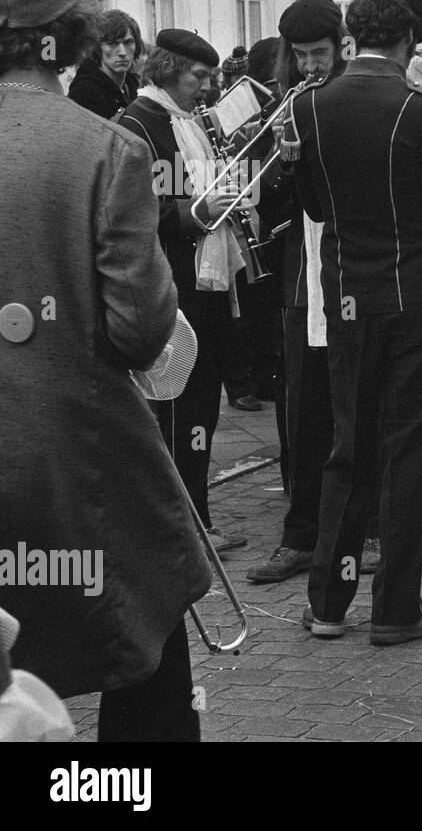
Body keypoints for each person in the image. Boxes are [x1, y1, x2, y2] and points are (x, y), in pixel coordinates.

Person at [0, 0, 211, 740]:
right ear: (75, 37)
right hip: (79, 453)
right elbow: (138, 329)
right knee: (147, 629)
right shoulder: (107, 148)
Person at [288, 0, 422, 644]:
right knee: (410, 451)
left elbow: (312, 206)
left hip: (345, 295)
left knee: (349, 444)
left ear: (353, 35)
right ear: (409, 40)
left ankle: (329, 603)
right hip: (418, 297)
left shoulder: (306, 107)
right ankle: (396, 607)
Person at [246, 0, 376, 585]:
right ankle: (299, 535)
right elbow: (271, 197)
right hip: (301, 282)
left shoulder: (353, 104)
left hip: (350, 277)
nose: (308, 68)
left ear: (342, 46)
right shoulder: (287, 106)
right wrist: (277, 160)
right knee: (302, 414)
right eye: (297, 58)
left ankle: (362, 528)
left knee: (355, 411)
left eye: (318, 55)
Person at [117, 27, 250, 553]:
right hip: (174, 281)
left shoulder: (180, 121)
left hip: (203, 278)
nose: (207, 87)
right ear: (169, 69)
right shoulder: (137, 124)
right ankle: (182, 525)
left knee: (201, 405)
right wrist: (198, 214)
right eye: (199, 76)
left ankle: (197, 516)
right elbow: (135, 209)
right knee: (179, 406)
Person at [66, 8, 141, 119]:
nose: (122, 52)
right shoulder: (85, 93)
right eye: (112, 44)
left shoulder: (134, 86)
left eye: (128, 42)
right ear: (98, 47)